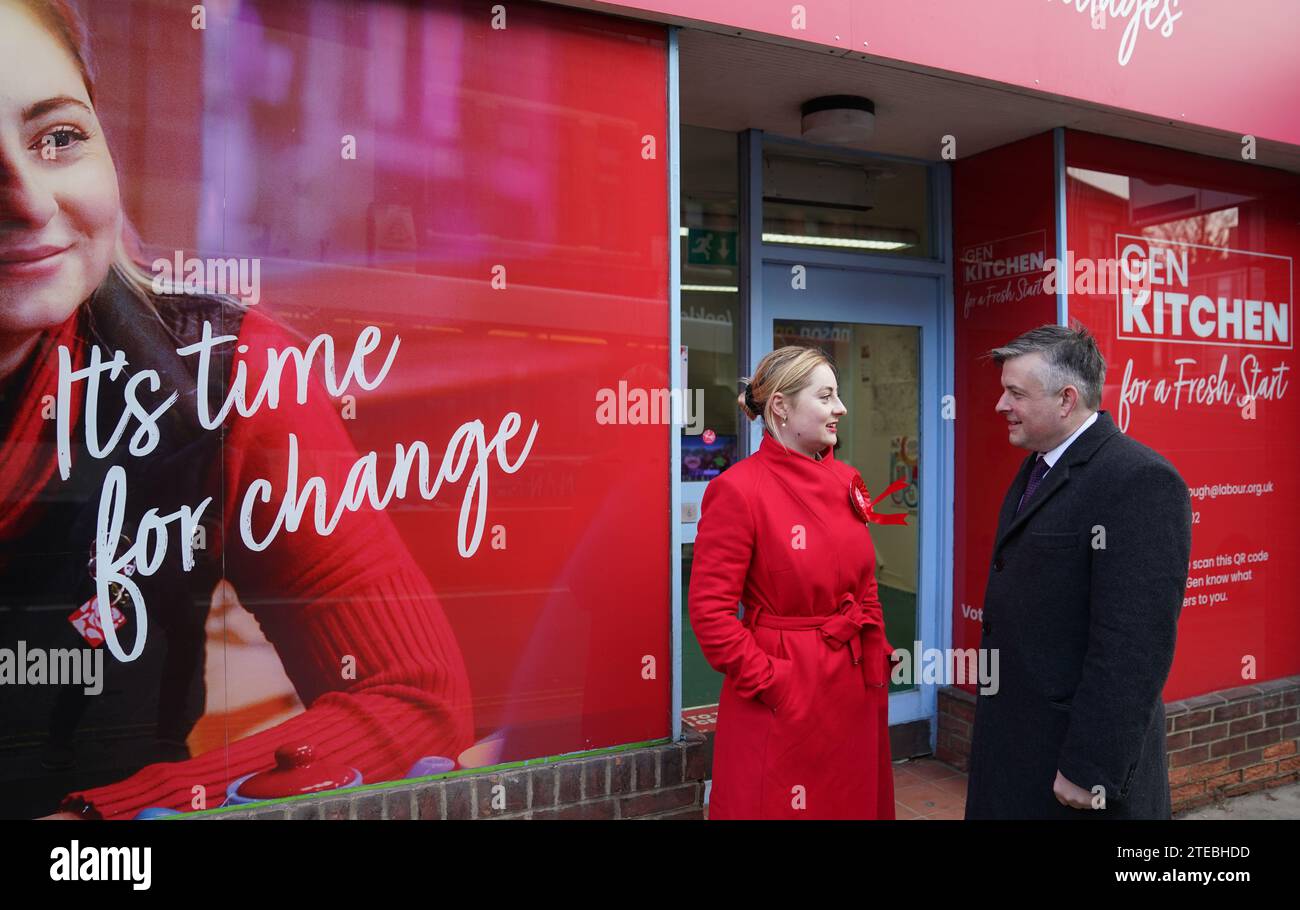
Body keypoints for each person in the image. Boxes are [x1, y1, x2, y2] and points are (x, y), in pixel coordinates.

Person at [0, 0, 473, 819]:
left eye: (60, 137)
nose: (32, 203)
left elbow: (413, 698)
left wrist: (94, 829)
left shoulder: (230, 374)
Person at [964, 323, 1192, 819]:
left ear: (1066, 400)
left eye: (1015, 393)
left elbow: (1134, 643)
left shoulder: (1139, 481)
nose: (1001, 405)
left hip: (1073, 773)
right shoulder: (1037, 465)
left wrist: (1091, 766)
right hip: (1018, 753)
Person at [688, 345, 905, 819]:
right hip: (783, 690)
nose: (840, 408)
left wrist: (876, 653)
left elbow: (865, 582)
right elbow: (711, 613)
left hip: (852, 687)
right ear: (781, 408)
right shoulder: (739, 489)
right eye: (826, 396)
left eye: (838, 395)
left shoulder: (847, 478)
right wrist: (774, 682)